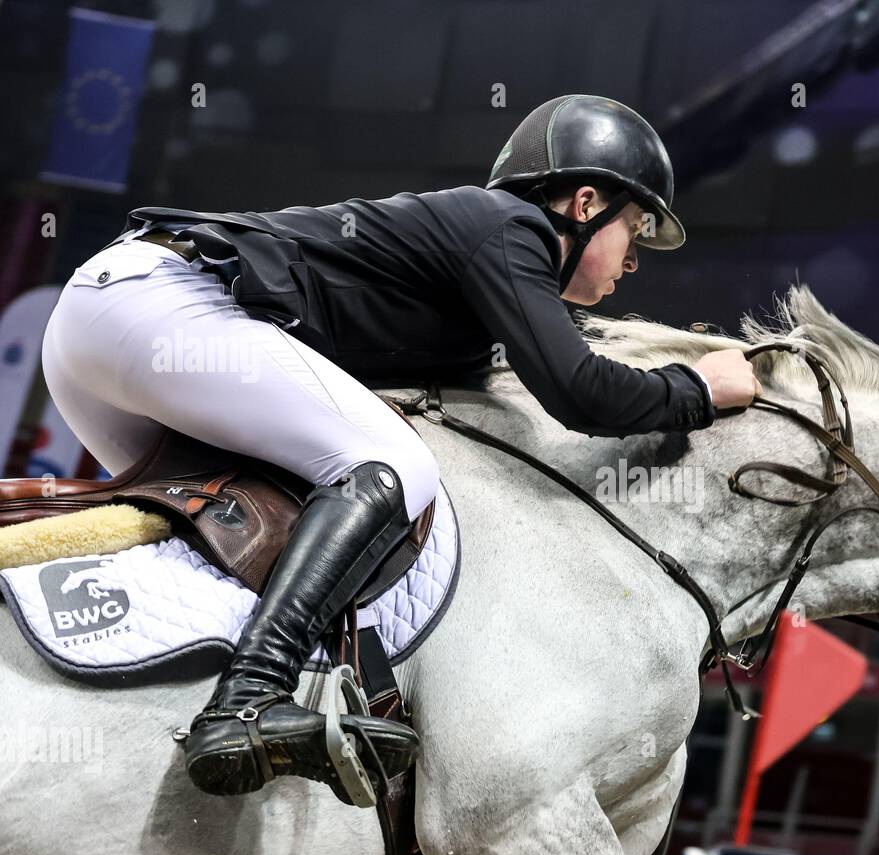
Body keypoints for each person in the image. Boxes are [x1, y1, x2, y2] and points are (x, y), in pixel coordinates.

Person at [40, 94, 762, 804]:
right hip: (161, 309)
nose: (632, 260)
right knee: (392, 466)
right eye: (633, 231)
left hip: (100, 338)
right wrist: (696, 388)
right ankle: (248, 700)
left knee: (255, 528)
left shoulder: (475, 279)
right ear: (583, 205)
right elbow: (581, 394)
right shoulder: (511, 227)